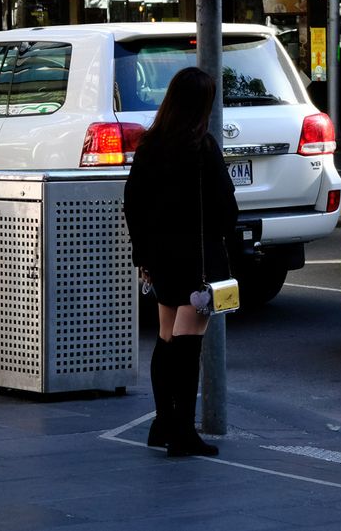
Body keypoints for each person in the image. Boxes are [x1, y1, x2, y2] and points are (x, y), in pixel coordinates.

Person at [124, 67, 238, 458]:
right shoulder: (202, 148)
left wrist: (144, 256)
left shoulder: (149, 145)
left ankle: (161, 422)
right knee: (188, 348)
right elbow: (226, 208)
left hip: (160, 257)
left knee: (167, 338)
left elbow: (133, 205)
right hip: (197, 259)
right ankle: (182, 432)